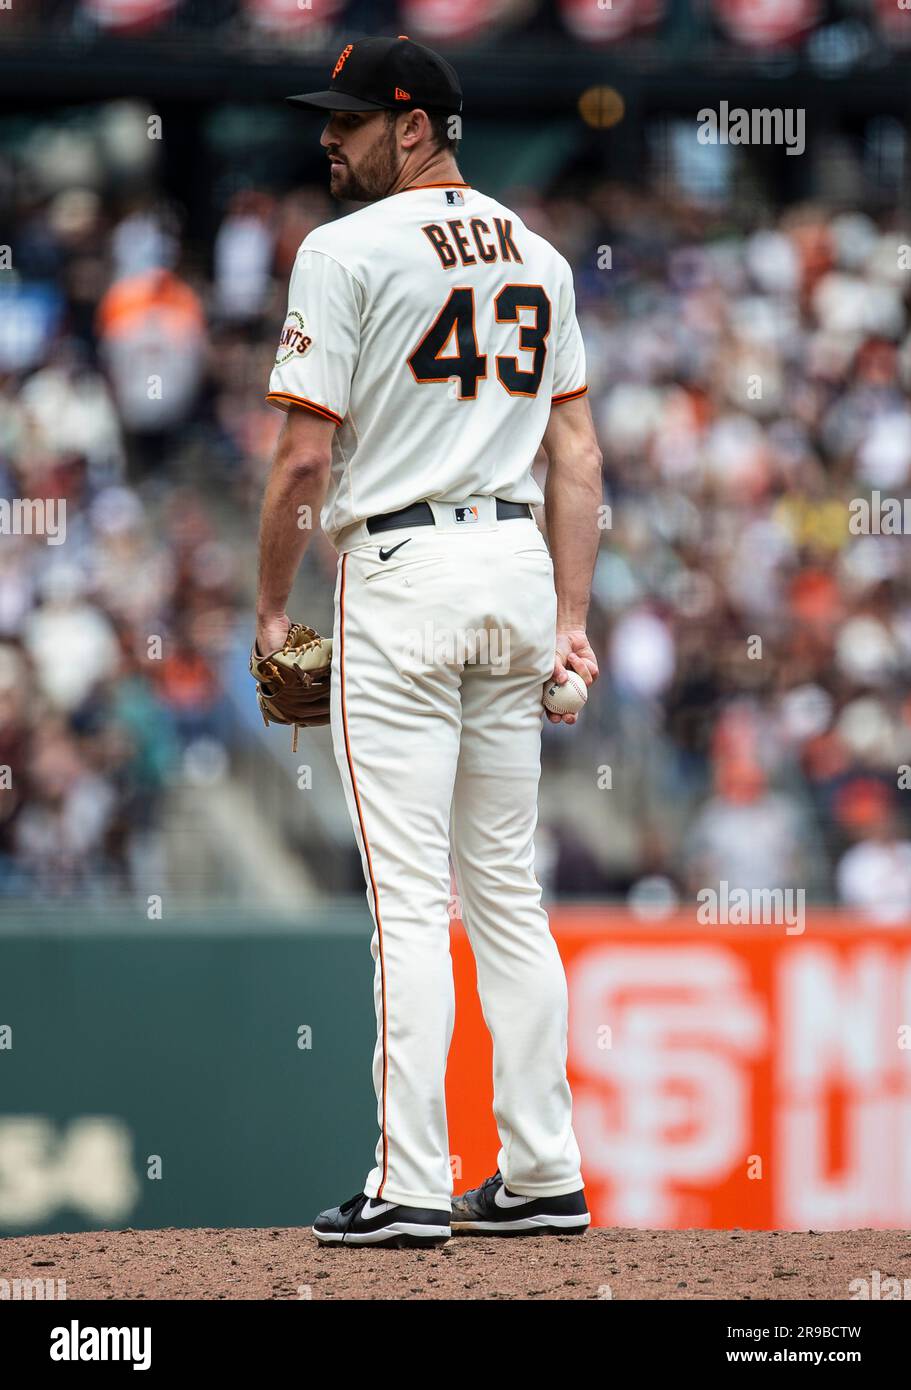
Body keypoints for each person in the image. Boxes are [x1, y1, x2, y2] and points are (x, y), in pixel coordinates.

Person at [256, 35, 602, 1247]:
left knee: (410, 898)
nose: (327, 138)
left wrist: (266, 609)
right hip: (513, 571)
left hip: (401, 570)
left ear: (415, 125)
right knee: (504, 890)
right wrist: (569, 619)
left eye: (349, 121)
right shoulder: (542, 254)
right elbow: (576, 456)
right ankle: (542, 1169)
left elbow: (303, 455)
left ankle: (409, 1183)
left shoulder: (343, 250)